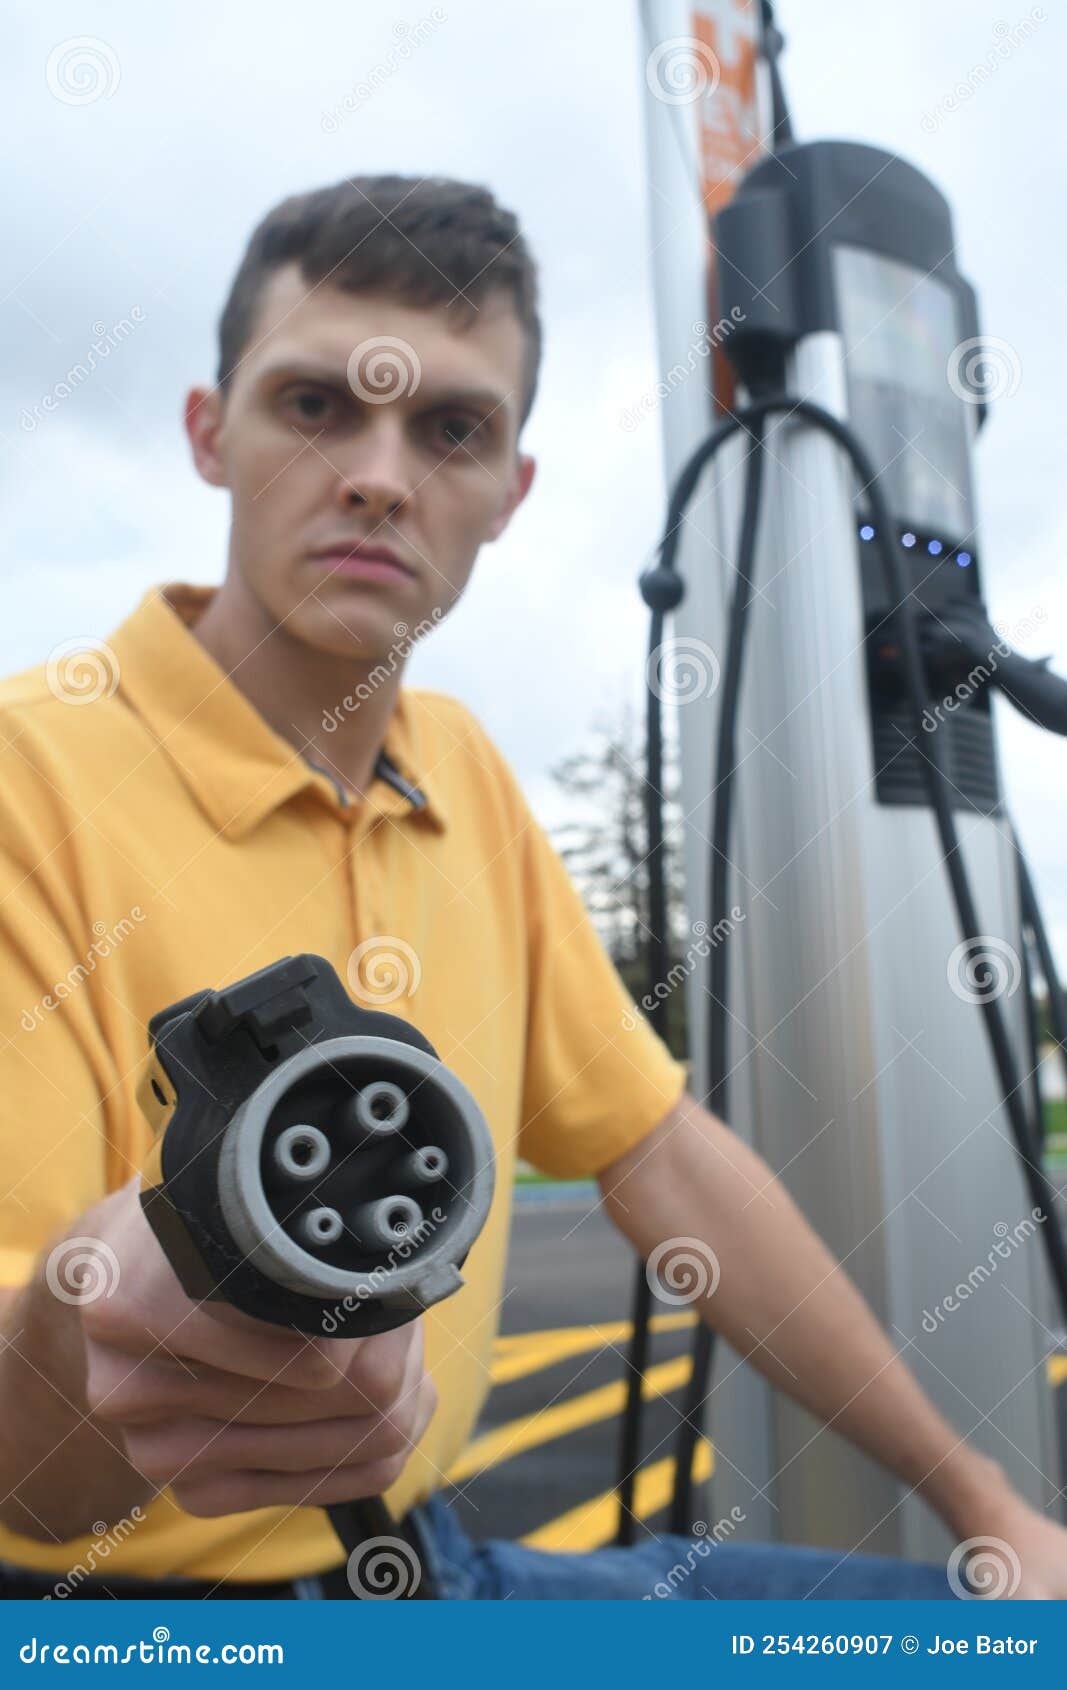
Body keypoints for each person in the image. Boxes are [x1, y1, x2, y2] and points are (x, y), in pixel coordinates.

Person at [0, 175, 1062, 1602]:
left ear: (512, 489)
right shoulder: (32, 780)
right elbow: (29, 1471)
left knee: (956, 1627)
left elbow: (660, 1155)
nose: (380, 473)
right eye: (316, 405)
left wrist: (983, 1499)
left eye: (452, 428)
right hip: (131, 1615)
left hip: (436, 1569)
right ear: (210, 432)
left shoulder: (467, 777)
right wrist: (104, 1320)